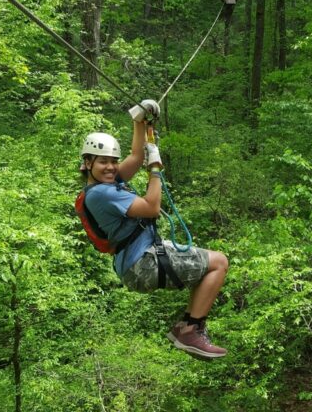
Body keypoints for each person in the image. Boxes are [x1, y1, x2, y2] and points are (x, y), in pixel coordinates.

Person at [79, 100, 229, 359]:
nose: (111, 167)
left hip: (138, 261)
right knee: (218, 263)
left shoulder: (106, 183)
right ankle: (191, 330)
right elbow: (151, 207)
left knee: (208, 264)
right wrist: (155, 168)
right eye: (103, 162)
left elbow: (136, 157)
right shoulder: (102, 193)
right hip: (142, 264)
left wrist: (138, 120)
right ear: (88, 162)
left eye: (113, 161)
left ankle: (187, 328)